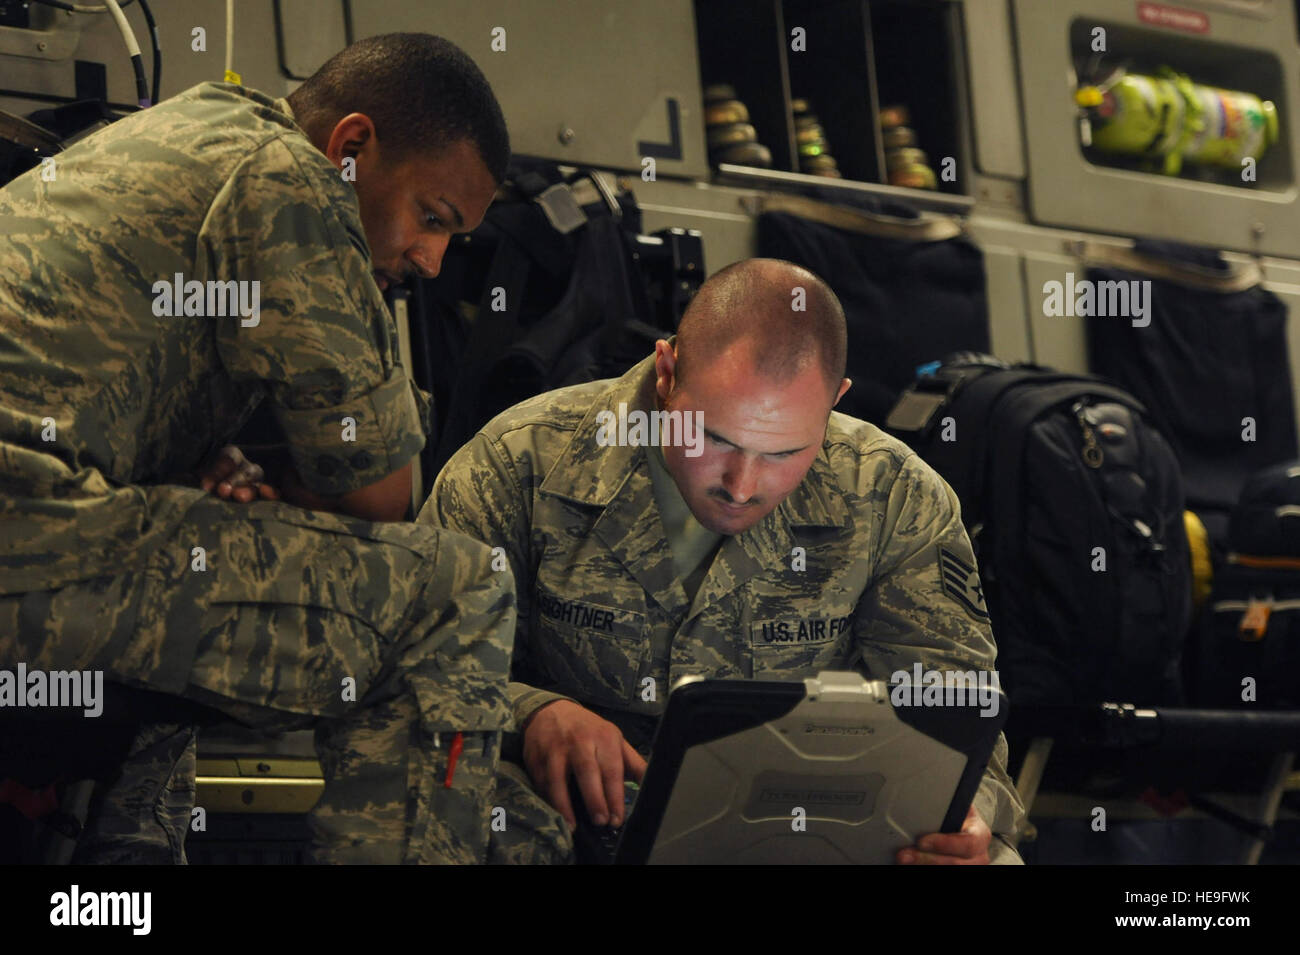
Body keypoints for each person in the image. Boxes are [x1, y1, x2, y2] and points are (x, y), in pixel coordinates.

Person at [0, 33, 515, 863]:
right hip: (27, 531)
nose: (431, 259)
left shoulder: (194, 128)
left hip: (44, 521)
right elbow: (382, 499)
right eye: (431, 218)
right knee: (456, 594)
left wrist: (227, 477)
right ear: (350, 148)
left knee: (199, 557)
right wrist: (287, 488)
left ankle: (118, 886)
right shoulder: (294, 180)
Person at [423, 257, 1028, 864]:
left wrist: (966, 818)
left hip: (795, 823)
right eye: (714, 438)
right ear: (667, 372)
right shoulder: (521, 463)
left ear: (835, 402)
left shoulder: (893, 496)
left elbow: (954, 711)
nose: (742, 486)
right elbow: (416, 663)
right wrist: (533, 714)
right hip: (574, 820)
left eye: (786, 452)